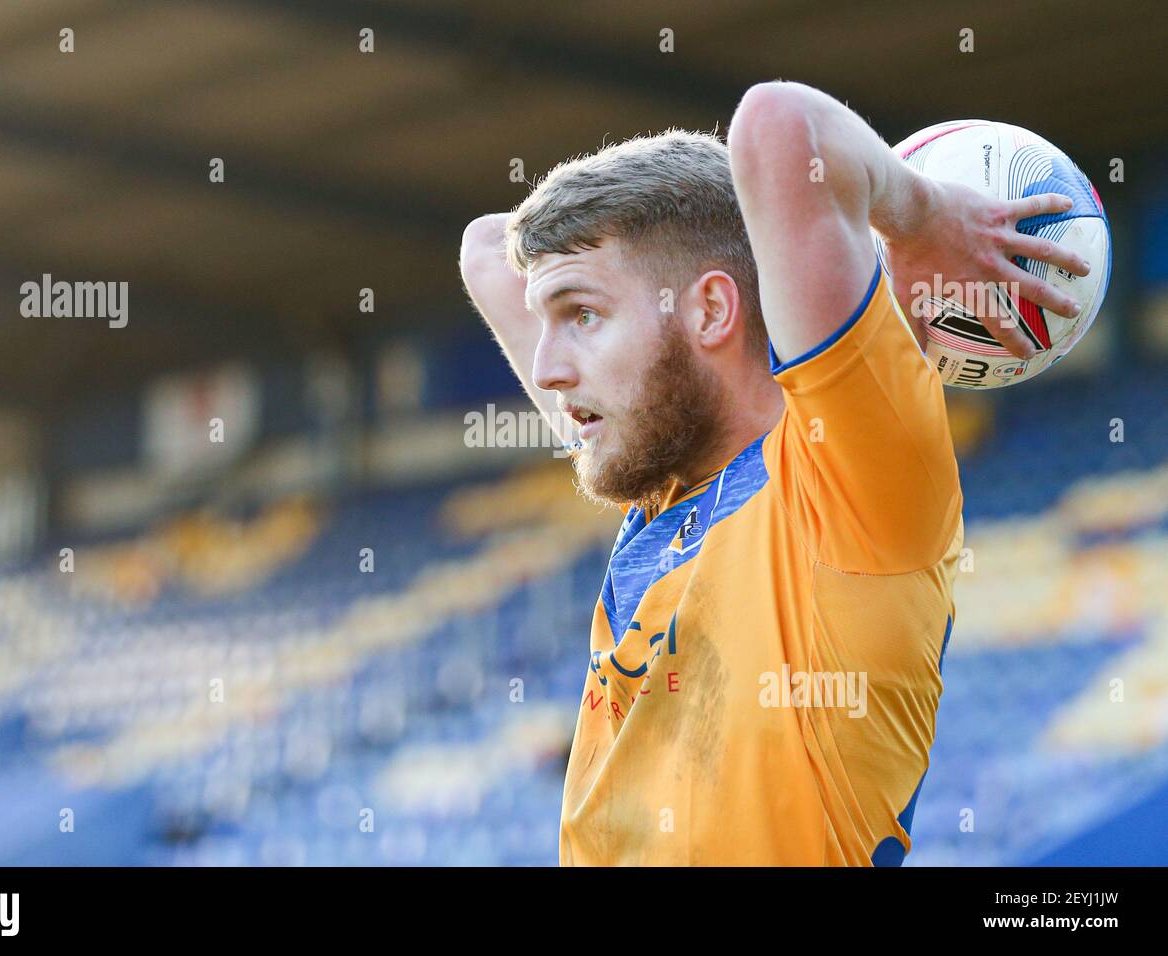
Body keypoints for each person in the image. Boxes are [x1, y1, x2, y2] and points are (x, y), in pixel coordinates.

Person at [459, 81, 1088, 865]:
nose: (547, 370)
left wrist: (921, 217)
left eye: (582, 315)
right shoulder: (659, 471)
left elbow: (781, 127)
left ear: (713, 313)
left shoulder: (846, 480)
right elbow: (488, 247)